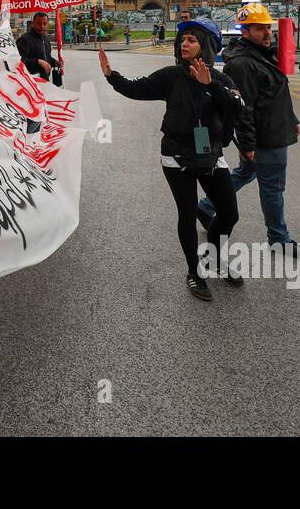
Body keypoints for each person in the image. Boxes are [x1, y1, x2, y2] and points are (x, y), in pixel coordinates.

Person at [98, 19, 243, 301]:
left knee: (229, 213)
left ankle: (214, 258)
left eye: (191, 39)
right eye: (182, 39)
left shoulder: (221, 79)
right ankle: (194, 272)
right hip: (176, 156)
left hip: (211, 155)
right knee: (188, 216)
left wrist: (211, 85)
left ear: (207, 46)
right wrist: (111, 75)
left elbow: (238, 107)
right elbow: (136, 88)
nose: (183, 43)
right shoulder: (172, 76)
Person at [198, 3, 300, 260]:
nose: (266, 33)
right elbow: (243, 109)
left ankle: (206, 205)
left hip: (275, 128)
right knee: (273, 188)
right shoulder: (242, 64)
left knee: (246, 172)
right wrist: (248, 145)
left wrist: (291, 118)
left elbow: (277, 93)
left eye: (268, 28)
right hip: (266, 137)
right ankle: (278, 239)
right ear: (245, 31)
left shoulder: (262, 55)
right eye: (259, 28)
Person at [17, 11, 59, 82]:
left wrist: (55, 62)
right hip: (29, 82)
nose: (42, 26)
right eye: (39, 23)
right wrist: (37, 62)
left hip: (44, 80)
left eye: (44, 24)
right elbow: (18, 61)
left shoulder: (46, 39)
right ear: (33, 24)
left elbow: (46, 57)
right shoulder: (25, 39)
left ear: (47, 25)